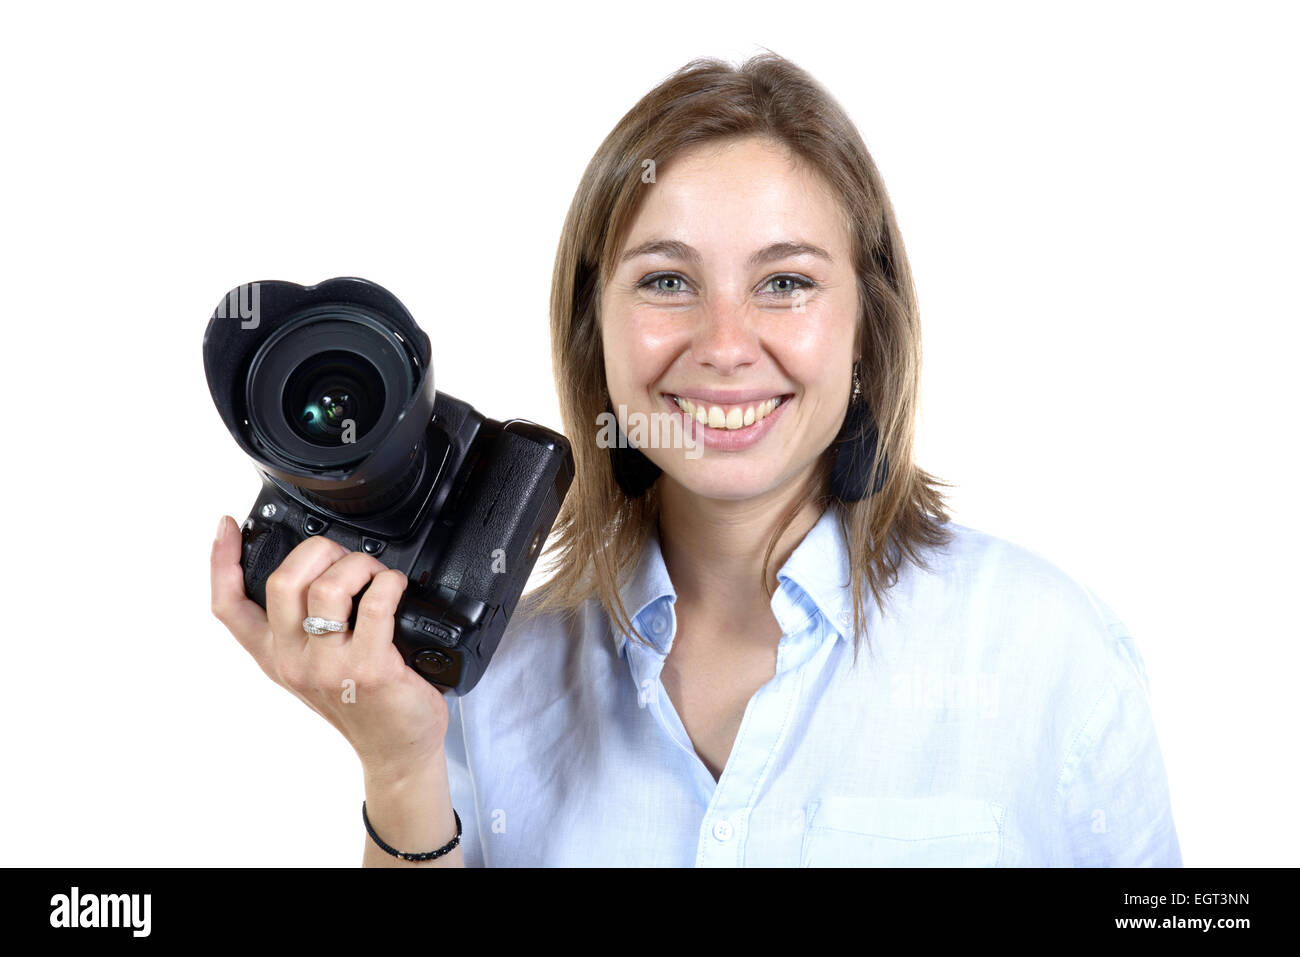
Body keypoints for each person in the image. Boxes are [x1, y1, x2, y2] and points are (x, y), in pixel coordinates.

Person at [210, 52, 1181, 867]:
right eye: (667, 280)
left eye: (786, 281)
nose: (724, 342)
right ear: (595, 332)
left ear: (865, 333)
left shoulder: (1051, 655)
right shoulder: (484, 682)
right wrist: (399, 769)